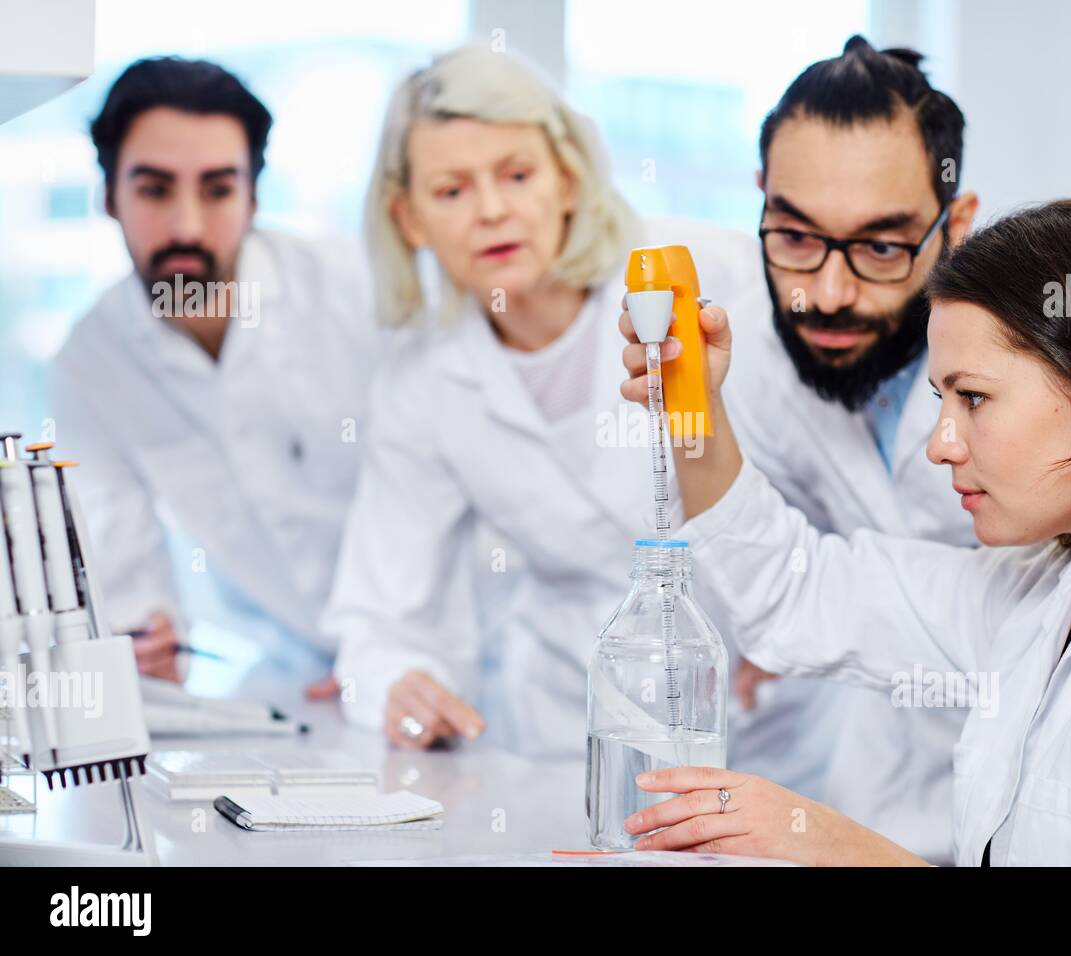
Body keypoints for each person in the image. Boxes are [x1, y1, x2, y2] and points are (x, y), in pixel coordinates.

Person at [617, 199, 1071, 865]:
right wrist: (693, 401)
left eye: (973, 397)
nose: (940, 445)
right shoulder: (1044, 593)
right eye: (942, 400)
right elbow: (794, 590)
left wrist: (829, 843)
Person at [324, 45, 830, 787]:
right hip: (575, 723)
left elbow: (837, 473)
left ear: (567, 178)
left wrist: (781, 615)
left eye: (518, 175)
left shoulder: (701, 277)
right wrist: (395, 683)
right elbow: (378, 610)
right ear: (410, 218)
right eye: (452, 190)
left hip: (783, 712)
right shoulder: (421, 382)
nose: (492, 209)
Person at [723, 35, 981, 861]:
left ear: (958, 225)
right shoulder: (751, 362)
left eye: (881, 247)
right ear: (762, 200)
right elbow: (777, 584)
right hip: (846, 794)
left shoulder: (1053, 379)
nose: (828, 294)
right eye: (796, 237)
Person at [50, 58, 380, 694]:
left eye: (217, 189)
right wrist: (139, 644)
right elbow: (125, 581)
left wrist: (393, 651)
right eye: (154, 189)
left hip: (457, 665)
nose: (186, 228)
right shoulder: (91, 363)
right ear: (108, 196)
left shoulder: (354, 293)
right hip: (294, 683)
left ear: (254, 196)